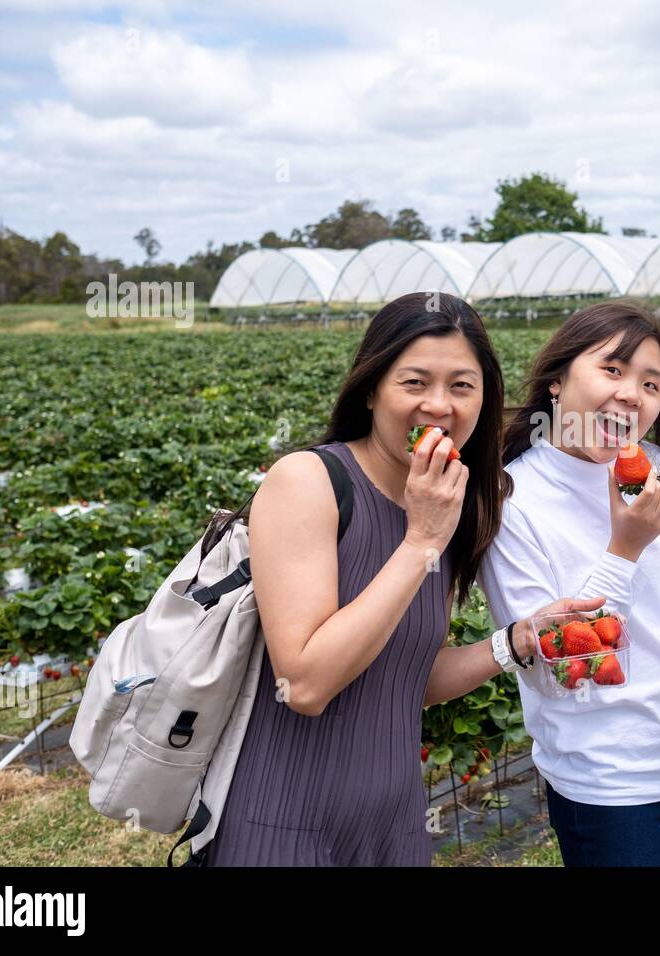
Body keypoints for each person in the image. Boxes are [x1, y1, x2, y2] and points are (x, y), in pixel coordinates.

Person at [202, 291, 599, 866]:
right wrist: (421, 541)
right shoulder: (309, 482)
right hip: (282, 825)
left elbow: (406, 676)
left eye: (462, 386)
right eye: (414, 383)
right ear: (370, 389)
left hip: (395, 829)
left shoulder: (442, 499)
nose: (439, 405)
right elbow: (308, 685)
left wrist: (515, 640)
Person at [478, 300, 660, 867]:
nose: (631, 394)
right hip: (610, 781)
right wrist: (626, 549)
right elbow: (556, 669)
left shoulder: (655, 465)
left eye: (650, 383)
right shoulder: (512, 501)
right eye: (612, 371)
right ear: (556, 381)